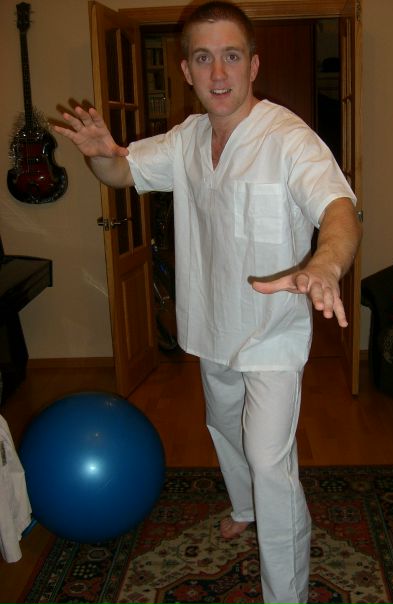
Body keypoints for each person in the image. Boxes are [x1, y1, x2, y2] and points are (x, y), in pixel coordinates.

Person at [54, 2, 362, 602]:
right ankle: (243, 506)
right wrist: (98, 153)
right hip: (210, 325)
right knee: (224, 427)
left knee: (270, 462)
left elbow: (338, 209)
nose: (218, 73)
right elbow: (122, 173)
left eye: (230, 56)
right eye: (203, 58)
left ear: (253, 65)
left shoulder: (288, 139)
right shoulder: (187, 139)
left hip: (272, 335)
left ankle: (287, 594)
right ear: (186, 71)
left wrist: (325, 263)